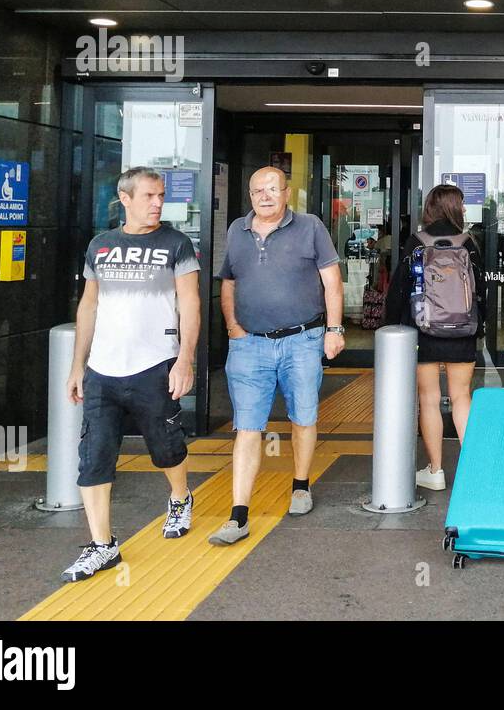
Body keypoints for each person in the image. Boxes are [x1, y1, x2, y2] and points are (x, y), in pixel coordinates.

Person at [62, 168, 200, 581]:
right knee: (94, 459)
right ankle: (102, 545)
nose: (158, 203)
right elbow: (88, 307)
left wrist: (185, 358)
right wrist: (77, 366)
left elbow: (190, 304)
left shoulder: (176, 243)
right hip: (103, 370)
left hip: (154, 365)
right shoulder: (101, 246)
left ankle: (179, 497)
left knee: (166, 448)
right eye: (149, 196)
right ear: (125, 199)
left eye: (160, 196)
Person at [208, 166, 345, 546]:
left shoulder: (310, 226)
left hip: (302, 340)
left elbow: (332, 282)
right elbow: (229, 282)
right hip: (250, 344)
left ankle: (300, 485)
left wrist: (334, 330)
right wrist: (234, 330)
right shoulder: (237, 230)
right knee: (248, 426)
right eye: (257, 191)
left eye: (272, 189)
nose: (265, 196)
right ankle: (238, 514)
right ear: (250, 195)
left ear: (287, 192)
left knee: (303, 415)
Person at [384, 183, 485, 490]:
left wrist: (391, 327)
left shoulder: (417, 242)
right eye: (462, 204)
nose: (466, 209)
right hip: (463, 332)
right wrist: (481, 327)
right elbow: (481, 291)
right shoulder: (469, 243)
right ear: (454, 208)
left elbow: (400, 289)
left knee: (428, 400)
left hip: (423, 331)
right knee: (461, 397)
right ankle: (470, 472)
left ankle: (436, 471)